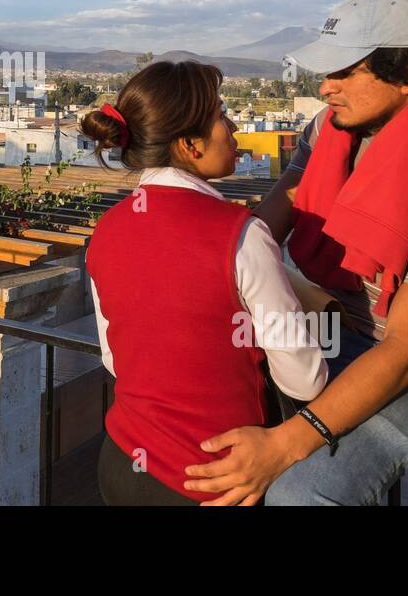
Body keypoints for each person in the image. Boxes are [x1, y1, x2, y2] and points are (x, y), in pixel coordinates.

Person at [183, 0, 408, 505]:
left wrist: (284, 446)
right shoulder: (328, 129)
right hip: (326, 321)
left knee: (301, 495)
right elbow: (266, 225)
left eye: (344, 72)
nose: (325, 88)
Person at [81, 60, 329, 505]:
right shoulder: (240, 236)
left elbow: (116, 360)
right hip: (212, 481)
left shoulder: (107, 229)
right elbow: (304, 380)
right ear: (189, 144)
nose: (232, 128)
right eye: (220, 115)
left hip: (120, 461)